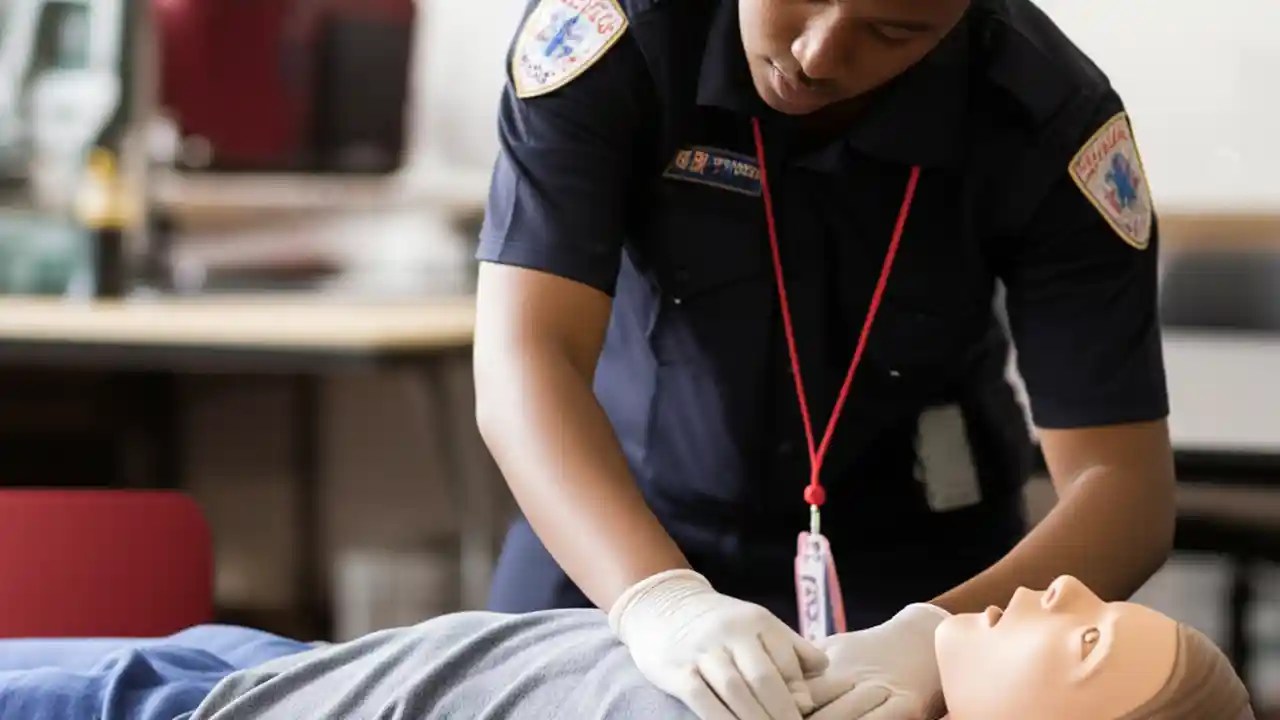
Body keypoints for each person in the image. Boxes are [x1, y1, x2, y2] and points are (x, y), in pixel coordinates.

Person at [474, 0, 1175, 716]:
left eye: (893, 29)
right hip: (619, 521)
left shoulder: (1052, 115)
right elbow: (528, 358)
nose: (816, 54)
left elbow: (1123, 486)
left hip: (920, 558)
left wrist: (937, 637)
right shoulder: (616, 35)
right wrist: (659, 601)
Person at [0, 576, 1251, 720]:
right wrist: (919, 631)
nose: (1068, 582)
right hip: (285, 659)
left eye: (1087, 639)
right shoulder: (883, 679)